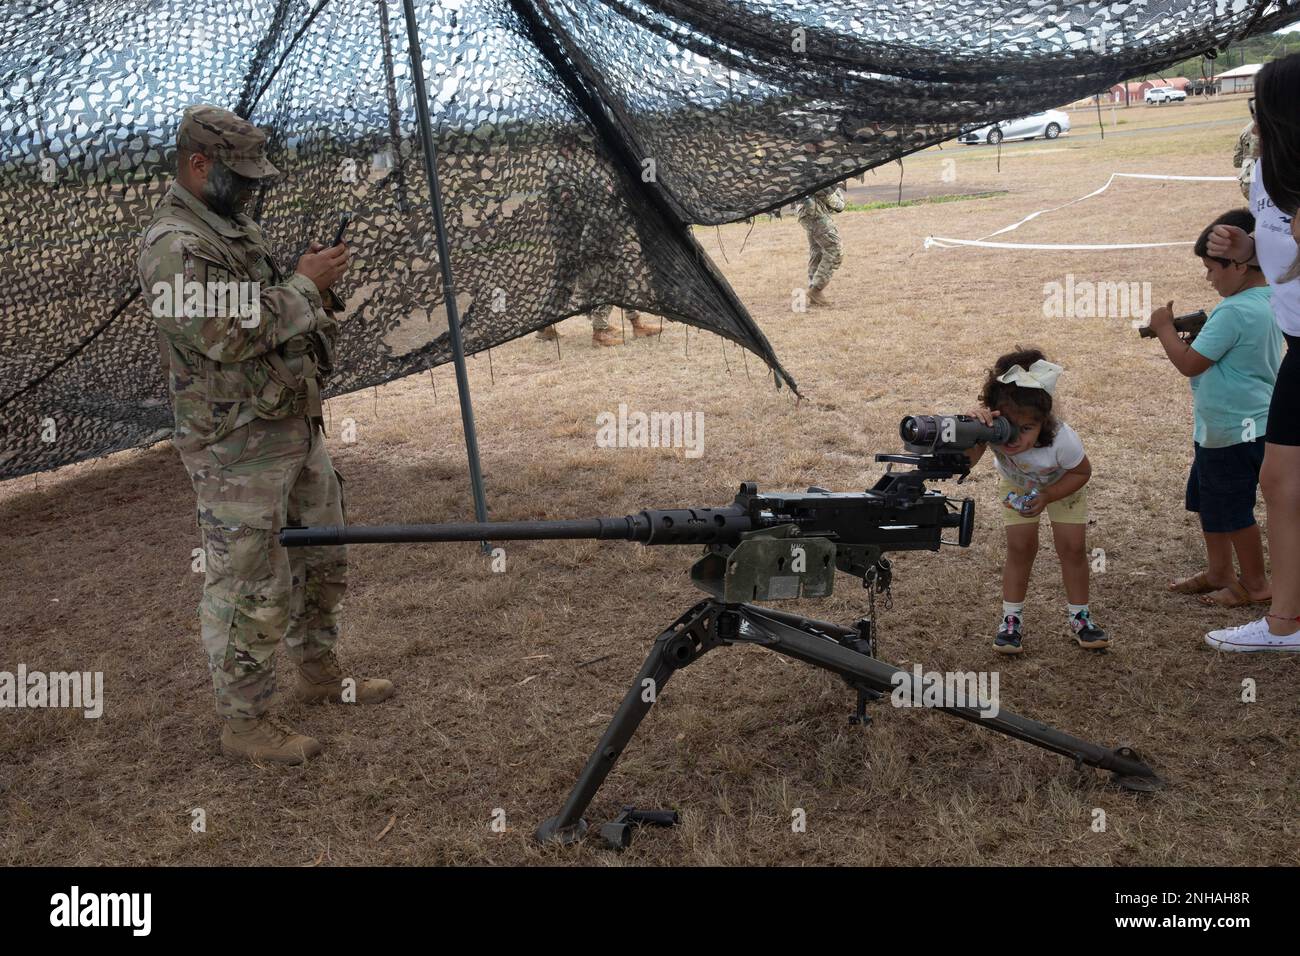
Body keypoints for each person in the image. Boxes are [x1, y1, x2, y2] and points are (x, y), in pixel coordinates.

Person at [136, 105, 393, 764]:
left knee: (322, 556)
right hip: (234, 444)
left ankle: (318, 672)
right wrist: (305, 287)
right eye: (240, 175)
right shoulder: (174, 244)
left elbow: (266, 307)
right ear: (199, 165)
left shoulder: (230, 225)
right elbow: (224, 333)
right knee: (249, 582)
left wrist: (308, 287)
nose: (251, 188)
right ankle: (245, 721)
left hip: (288, 421)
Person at [1205, 55, 1300, 653]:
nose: (1254, 119)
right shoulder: (1269, 169)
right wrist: (1248, 250)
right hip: (1298, 343)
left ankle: (1286, 620)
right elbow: (1280, 254)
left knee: (1281, 479)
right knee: (1281, 481)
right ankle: (1286, 622)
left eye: (1260, 106)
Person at [1153, 209, 1280, 609]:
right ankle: (1219, 571)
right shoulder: (1271, 297)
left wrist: (1164, 329)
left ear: (1239, 263)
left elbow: (1189, 363)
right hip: (1249, 424)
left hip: (1230, 430)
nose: (1209, 278)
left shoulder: (1232, 311)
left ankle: (1255, 584)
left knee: (1233, 508)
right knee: (1210, 500)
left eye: (1211, 269)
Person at [966, 349, 1107, 655]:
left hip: (1063, 485)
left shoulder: (1061, 440)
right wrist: (974, 431)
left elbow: (1082, 472)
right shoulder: (989, 430)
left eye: (1027, 428)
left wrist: (1048, 495)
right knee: (1020, 548)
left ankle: (1080, 618)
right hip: (1017, 485)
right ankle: (1011, 621)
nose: (1013, 439)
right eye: (1007, 427)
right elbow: (966, 463)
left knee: (1072, 549)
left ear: (1044, 421)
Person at [797, 183, 844, 306]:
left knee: (817, 252)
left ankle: (814, 292)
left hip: (808, 212)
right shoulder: (822, 174)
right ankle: (816, 290)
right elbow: (838, 205)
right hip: (815, 214)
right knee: (834, 249)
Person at [1233, 120, 1260, 201]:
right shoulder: (1274, 127)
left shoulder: (1245, 130)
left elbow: (1237, 162)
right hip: (1267, 182)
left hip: (1248, 183)